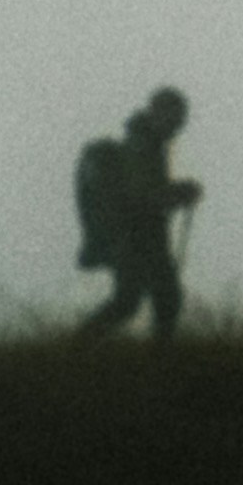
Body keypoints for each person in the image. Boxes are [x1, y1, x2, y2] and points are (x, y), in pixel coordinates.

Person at [69, 83, 201, 340]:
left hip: (136, 235)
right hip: (135, 236)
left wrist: (177, 192)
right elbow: (142, 195)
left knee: (142, 300)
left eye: (180, 120)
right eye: (175, 118)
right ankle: (77, 349)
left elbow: (146, 190)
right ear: (157, 113)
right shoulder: (142, 145)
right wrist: (179, 194)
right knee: (152, 299)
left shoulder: (149, 143)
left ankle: (76, 349)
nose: (178, 127)